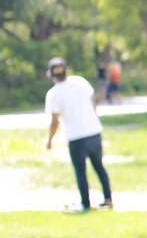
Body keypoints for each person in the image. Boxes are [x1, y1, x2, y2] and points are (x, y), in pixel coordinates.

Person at [44, 57, 113, 213]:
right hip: (94, 131)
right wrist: (94, 118)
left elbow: (55, 121)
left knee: (80, 171)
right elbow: (92, 100)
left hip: (75, 136)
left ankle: (85, 203)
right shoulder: (80, 82)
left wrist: (49, 140)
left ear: (51, 74)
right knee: (99, 167)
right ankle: (108, 199)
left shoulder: (53, 94)